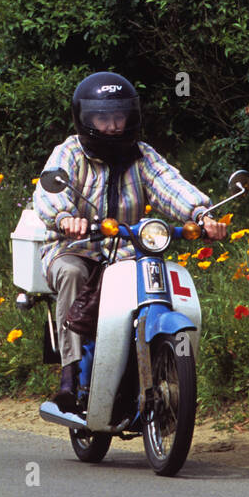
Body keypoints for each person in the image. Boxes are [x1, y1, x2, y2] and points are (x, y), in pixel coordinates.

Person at [33, 71, 228, 413]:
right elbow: (50, 191)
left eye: (118, 117)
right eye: (102, 118)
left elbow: (170, 184)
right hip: (73, 247)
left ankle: (144, 365)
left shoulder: (142, 155)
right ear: (86, 118)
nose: (111, 126)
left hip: (127, 250)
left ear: (131, 117)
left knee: (154, 282)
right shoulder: (71, 153)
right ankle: (71, 376)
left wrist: (201, 214)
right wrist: (66, 218)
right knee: (71, 273)